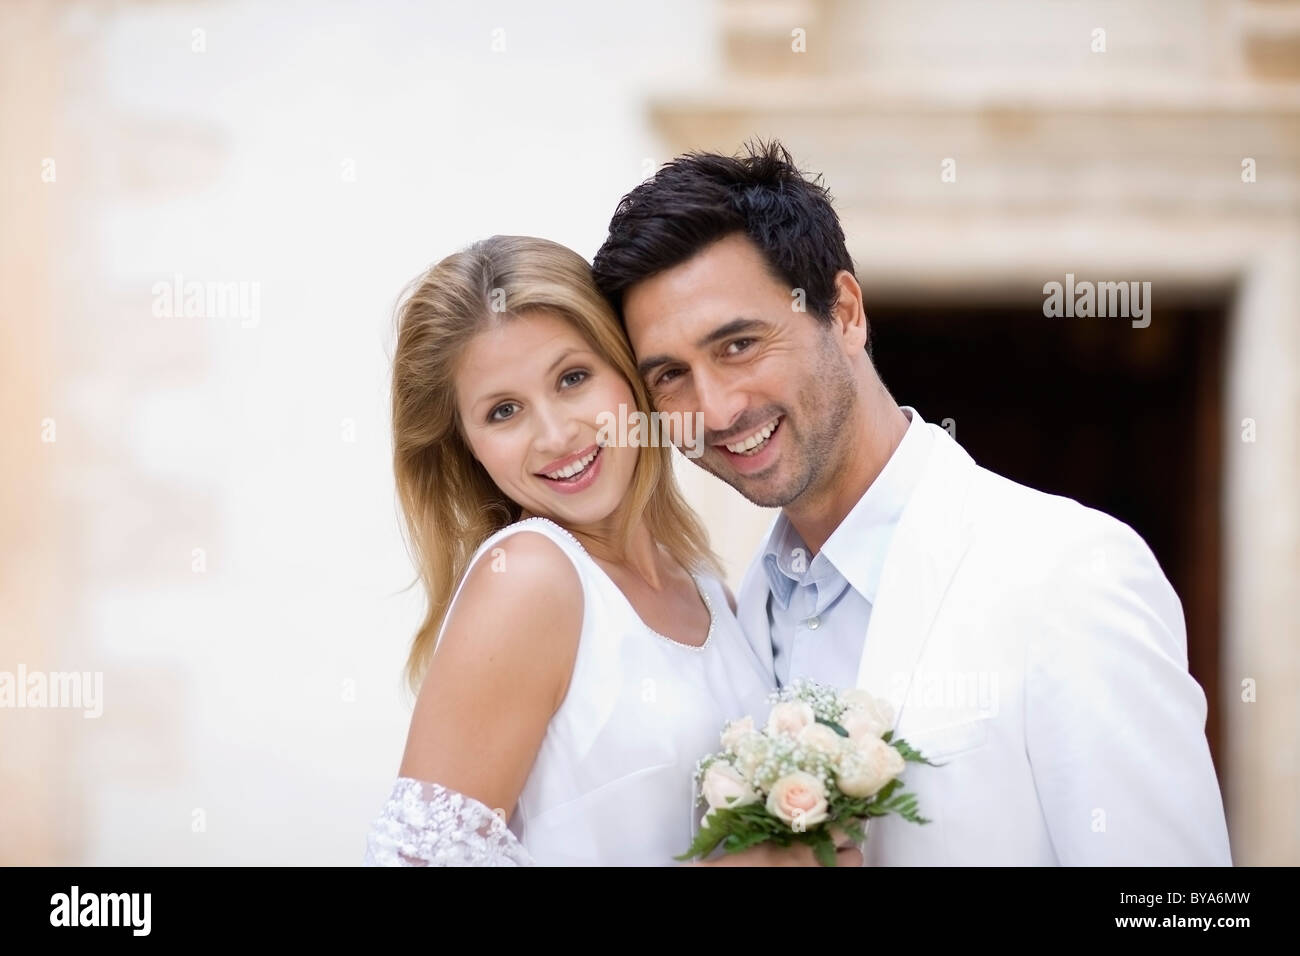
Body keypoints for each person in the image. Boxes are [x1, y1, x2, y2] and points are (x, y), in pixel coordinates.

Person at [591, 140, 1233, 865]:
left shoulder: (1069, 572)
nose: (715, 408)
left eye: (739, 344)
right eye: (670, 375)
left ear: (846, 311)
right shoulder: (736, 616)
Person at [363, 235, 859, 866]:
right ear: (468, 447)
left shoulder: (706, 585)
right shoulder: (530, 576)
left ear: (630, 376)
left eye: (573, 378)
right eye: (503, 411)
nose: (556, 433)